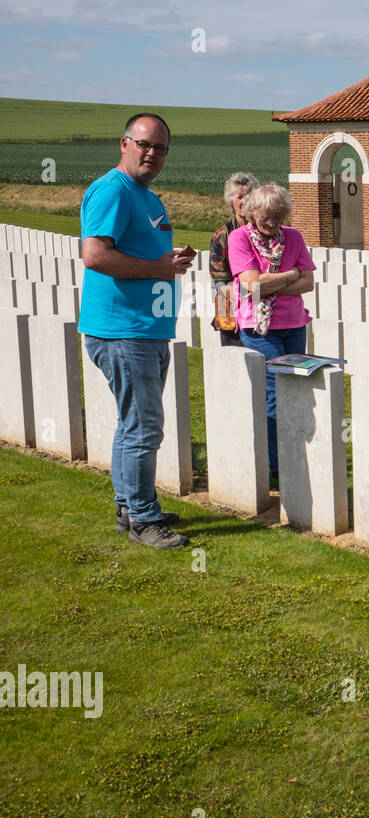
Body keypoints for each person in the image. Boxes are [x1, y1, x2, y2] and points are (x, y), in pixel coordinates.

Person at [81, 113, 194, 549]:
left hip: (145, 330)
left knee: (132, 425)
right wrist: (156, 269)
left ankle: (130, 505)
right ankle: (144, 520)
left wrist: (169, 265)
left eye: (160, 148)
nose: (152, 154)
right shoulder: (114, 190)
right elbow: (95, 255)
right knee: (144, 427)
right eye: (144, 144)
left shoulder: (145, 195)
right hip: (122, 330)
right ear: (124, 143)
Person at [228, 183, 316, 478]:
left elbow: (308, 283)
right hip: (258, 329)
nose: (273, 222)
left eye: (279, 215)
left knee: (295, 390)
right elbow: (251, 285)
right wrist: (290, 275)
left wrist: (272, 281)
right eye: (267, 216)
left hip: (293, 324)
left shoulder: (293, 237)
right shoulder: (239, 239)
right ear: (253, 213)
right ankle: (277, 464)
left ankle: (293, 451)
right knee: (274, 392)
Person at [209, 172, 260, 346]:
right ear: (231, 200)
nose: (244, 201)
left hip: (263, 303)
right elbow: (220, 281)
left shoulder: (265, 232)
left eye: (249, 196)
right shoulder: (222, 235)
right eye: (239, 196)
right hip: (232, 305)